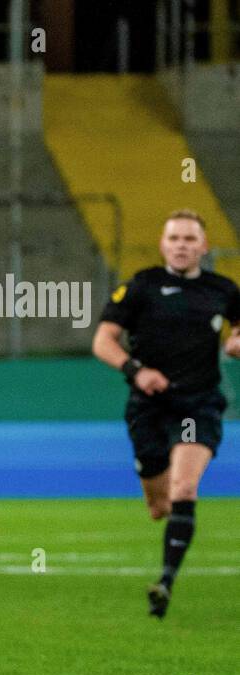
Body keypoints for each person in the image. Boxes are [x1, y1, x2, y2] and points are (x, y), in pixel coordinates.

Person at [92, 209, 240, 618]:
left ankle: (165, 583)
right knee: (160, 506)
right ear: (162, 243)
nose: (181, 245)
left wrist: (236, 342)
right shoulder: (142, 287)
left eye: (190, 239)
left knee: (184, 488)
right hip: (148, 408)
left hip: (198, 404)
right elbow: (103, 341)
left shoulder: (224, 290)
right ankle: (175, 526)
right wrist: (136, 372)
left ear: (204, 246)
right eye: (174, 238)